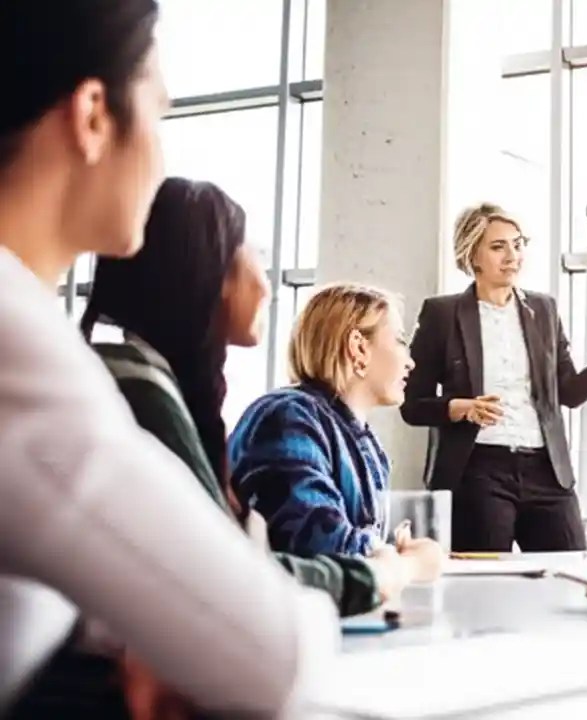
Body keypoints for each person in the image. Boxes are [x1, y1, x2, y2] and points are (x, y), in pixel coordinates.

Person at [0, 2, 338, 717]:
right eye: (159, 113)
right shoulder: (19, 347)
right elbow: (277, 658)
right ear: (94, 115)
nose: (161, 157)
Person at [83, 176, 443, 617]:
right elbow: (291, 556)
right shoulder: (271, 416)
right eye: (249, 252)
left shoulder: (177, 397)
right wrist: (398, 567)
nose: (269, 284)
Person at [402, 203, 587, 552]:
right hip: (478, 469)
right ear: (472, 255)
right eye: (498, 246)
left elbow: (570, 392)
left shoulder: (543, 310)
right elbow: (411, 406)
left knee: (570, 576)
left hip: (547, 470)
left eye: (518, 244)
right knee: (490, 585)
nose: (512, 255)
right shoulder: (442, 314)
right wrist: (459, 407)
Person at [230, 282, 419, 558]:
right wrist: (405, 562)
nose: (410, 362)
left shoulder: (368, 446)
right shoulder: (288, 417)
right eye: (400, 340)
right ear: (358, 347)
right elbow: (317, 544)